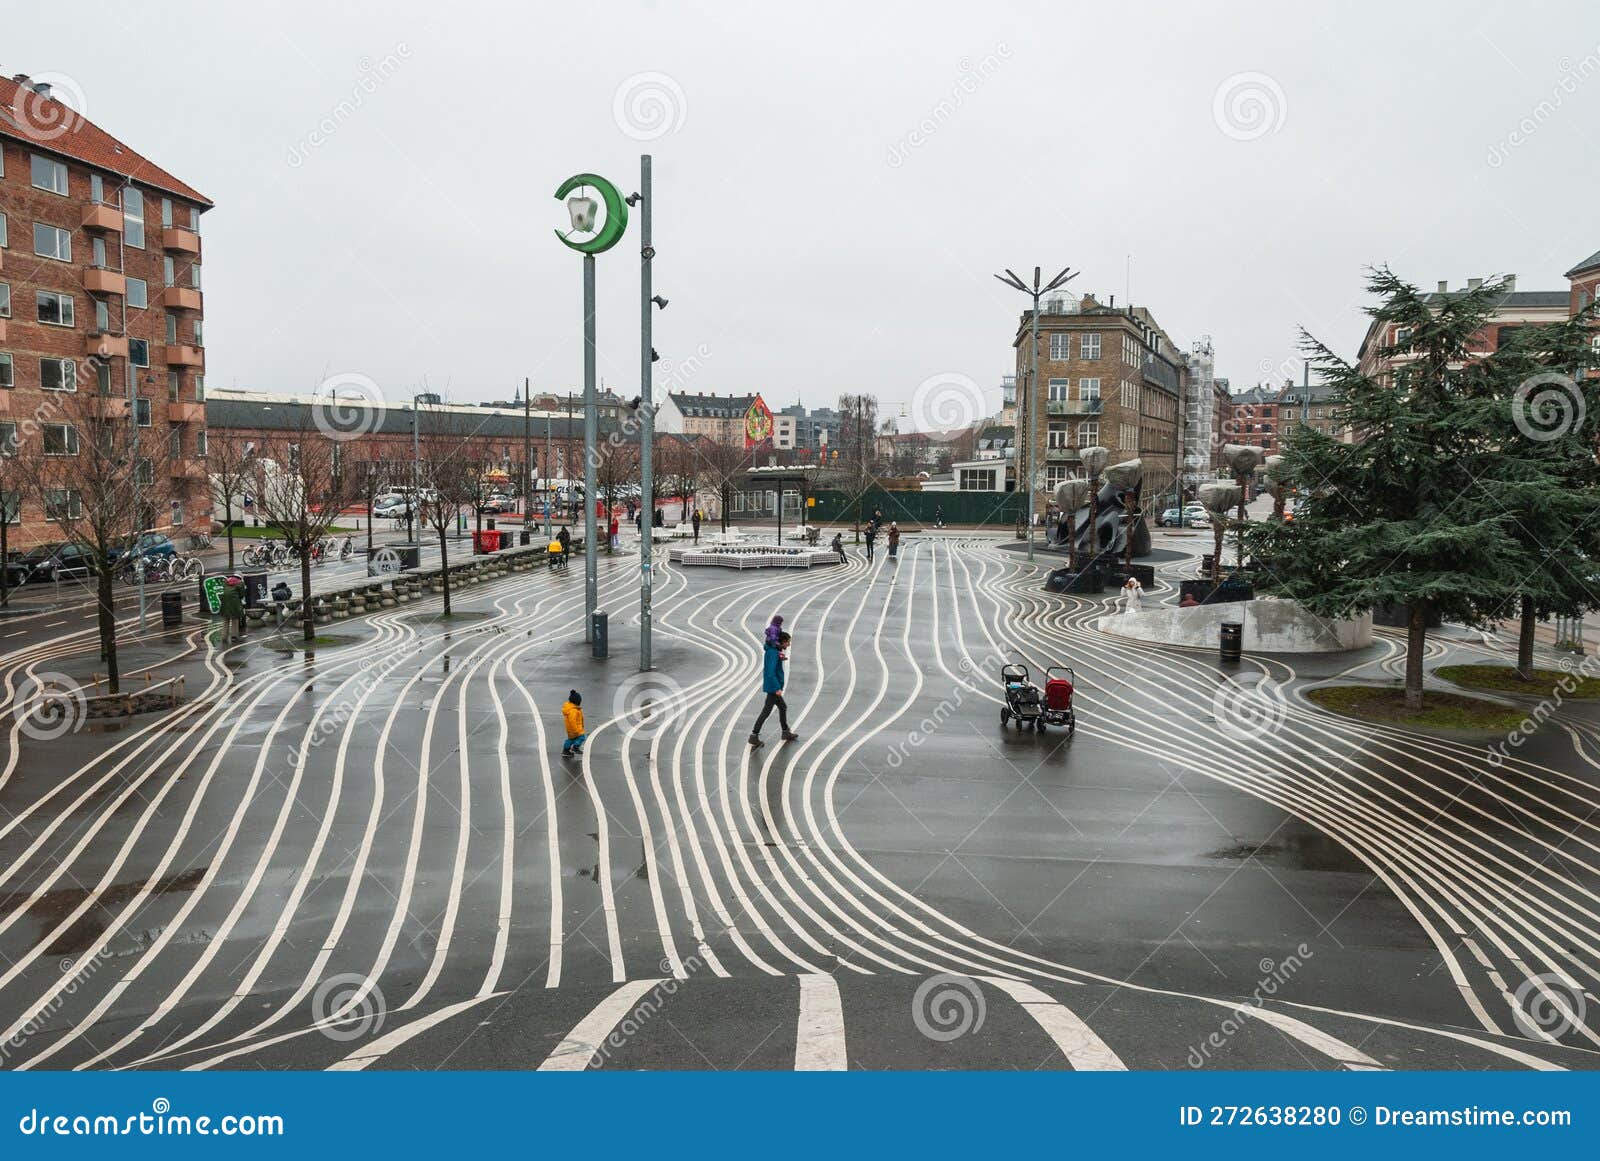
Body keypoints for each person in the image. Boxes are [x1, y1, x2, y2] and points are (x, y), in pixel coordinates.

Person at [749, 631, 798, 748]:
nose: (789, 645)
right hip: (773, 688)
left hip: (773, 687)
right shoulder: (773, 653)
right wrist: (777, 688)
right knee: (766, 711)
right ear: (781, 642)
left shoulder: (774, 651)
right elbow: (770, 672)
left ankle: (785, 731)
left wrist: (779, 657)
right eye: (788, 642)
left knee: (782, 707)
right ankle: (754, 736)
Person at [219, 576, 245, 644]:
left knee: (225, 620)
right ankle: (234, 636)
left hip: (225, 603)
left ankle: (224, 637)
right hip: (234, 604)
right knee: (235, 620)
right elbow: (242, 594)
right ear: (240, 578)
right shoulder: (240, 583)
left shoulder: (226, 582)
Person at [561, 690, 586, 758]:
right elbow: (572, 721)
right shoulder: (573, 710)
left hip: (571, 729)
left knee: (571, 739)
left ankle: (565, 750)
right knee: (582, 737)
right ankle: (575, 747)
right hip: (575, 729)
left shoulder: (573, 709)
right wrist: (576, 730)